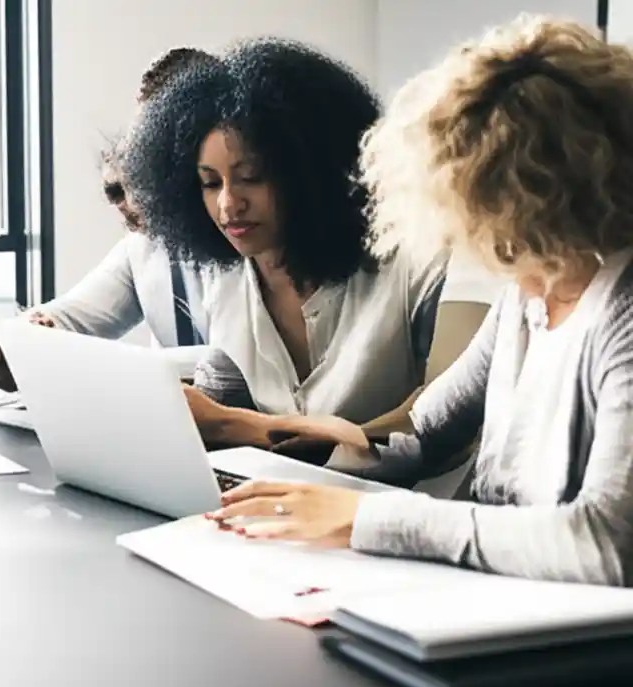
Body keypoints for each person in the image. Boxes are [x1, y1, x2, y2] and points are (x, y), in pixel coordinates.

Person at [210, 15, 633, 586]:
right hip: (498, 599)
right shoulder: (525, 299)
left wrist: (367, 519)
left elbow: (607, 545)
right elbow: (423, 437)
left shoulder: (621, 311)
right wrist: (292, 474)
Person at [115, 38, 463, 448]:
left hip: (393, 505)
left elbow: (445, 421)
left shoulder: (415, 262)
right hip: (276, 504)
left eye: (252, 177)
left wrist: (241, 427)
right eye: (210, 183)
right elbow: (222, 401)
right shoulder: (225, 277)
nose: (229, 204)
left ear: (311, 170)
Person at [0, 48, 222, 390]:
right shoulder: (143, 248)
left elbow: (232, 366)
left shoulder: (249, 238)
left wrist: (99, 363)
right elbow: (70, 318)